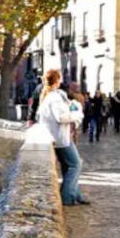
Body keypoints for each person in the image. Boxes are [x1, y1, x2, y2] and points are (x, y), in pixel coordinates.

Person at [38, 69, 89, 206]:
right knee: (76, 165)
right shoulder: (54, 97)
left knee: (68, 166)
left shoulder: (48, 96)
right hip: (60, 138)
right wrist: (77, 115)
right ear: (57, 80)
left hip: (57, 137)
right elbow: (61, 117)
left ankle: (75, 194)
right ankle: (66, 197)